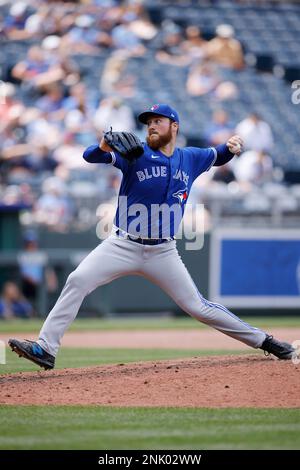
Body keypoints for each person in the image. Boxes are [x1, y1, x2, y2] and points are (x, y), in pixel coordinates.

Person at [9, 103, 295, 369]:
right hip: (122, 244)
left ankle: (266, 341)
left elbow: (217, 155)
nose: (152, 127)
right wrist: (103, 145)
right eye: (148, 123)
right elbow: (90, 156)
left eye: (158, 121)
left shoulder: (190, 158)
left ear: (175, 126)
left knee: (199, 307)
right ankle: (46, 348)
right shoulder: (136, 154)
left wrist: (231, 148)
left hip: (163, 252)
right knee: (77, 280)